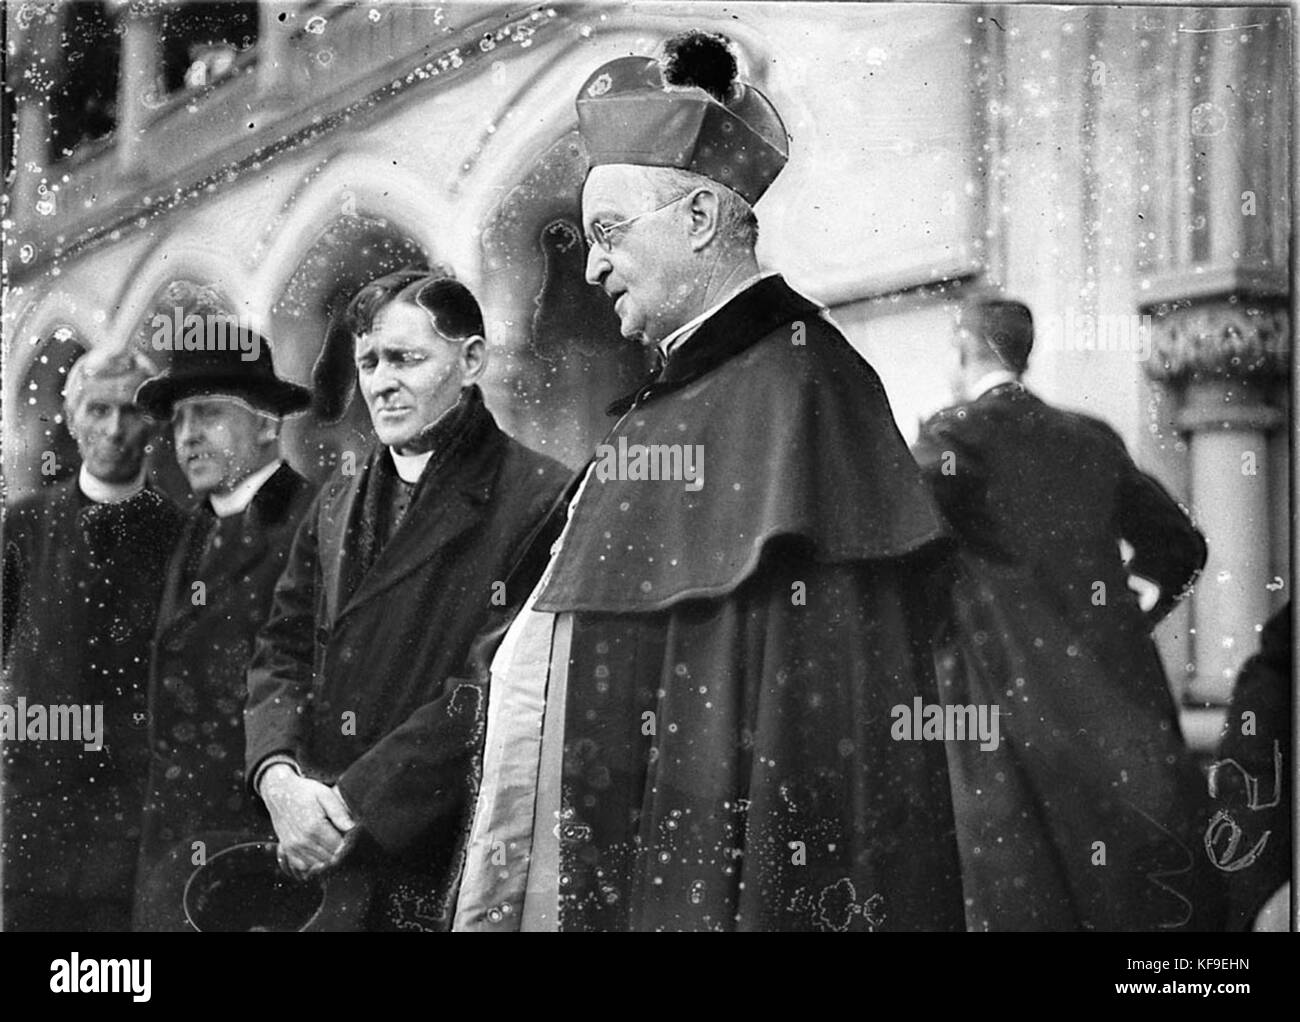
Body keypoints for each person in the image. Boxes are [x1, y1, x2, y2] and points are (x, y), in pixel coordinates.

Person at [454, 30, 966, 932]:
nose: (591, 264)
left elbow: (816, 732)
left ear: (696, 220)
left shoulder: (805, 387)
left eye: (609, 232)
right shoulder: (671, 396)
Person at [243, 270, 568, 931]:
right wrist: (276, 777)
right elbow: (281, 647)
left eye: (406, 359)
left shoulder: (540, 498)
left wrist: (351, 805)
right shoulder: (336, 501)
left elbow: (493, 688)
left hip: (434, 858)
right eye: (368, 361)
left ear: (472, 358)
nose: (381, 382)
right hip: (319, 853)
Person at [912, 297, 1223, 931]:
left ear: (966, 348)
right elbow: (1181, 546)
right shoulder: (1089, 436)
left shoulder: (952, 438)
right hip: (1114, 700)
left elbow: (902, 548)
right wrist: (1126, 612)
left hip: (1005, 703)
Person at [131, 328, 316, 929]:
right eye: (179, 419)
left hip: (258, 857)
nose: (187, 437)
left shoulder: (315, 521)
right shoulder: (190, 530)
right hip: (174, 847)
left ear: (267, 424)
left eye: (208, 413)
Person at [2, 347, 186, 931]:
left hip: (134, 820)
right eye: (98, 410)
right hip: (34, 816)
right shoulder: (24, 527)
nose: (113, 429)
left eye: (130, 411)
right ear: (73, 418)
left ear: (152, 422)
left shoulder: (184, 535)